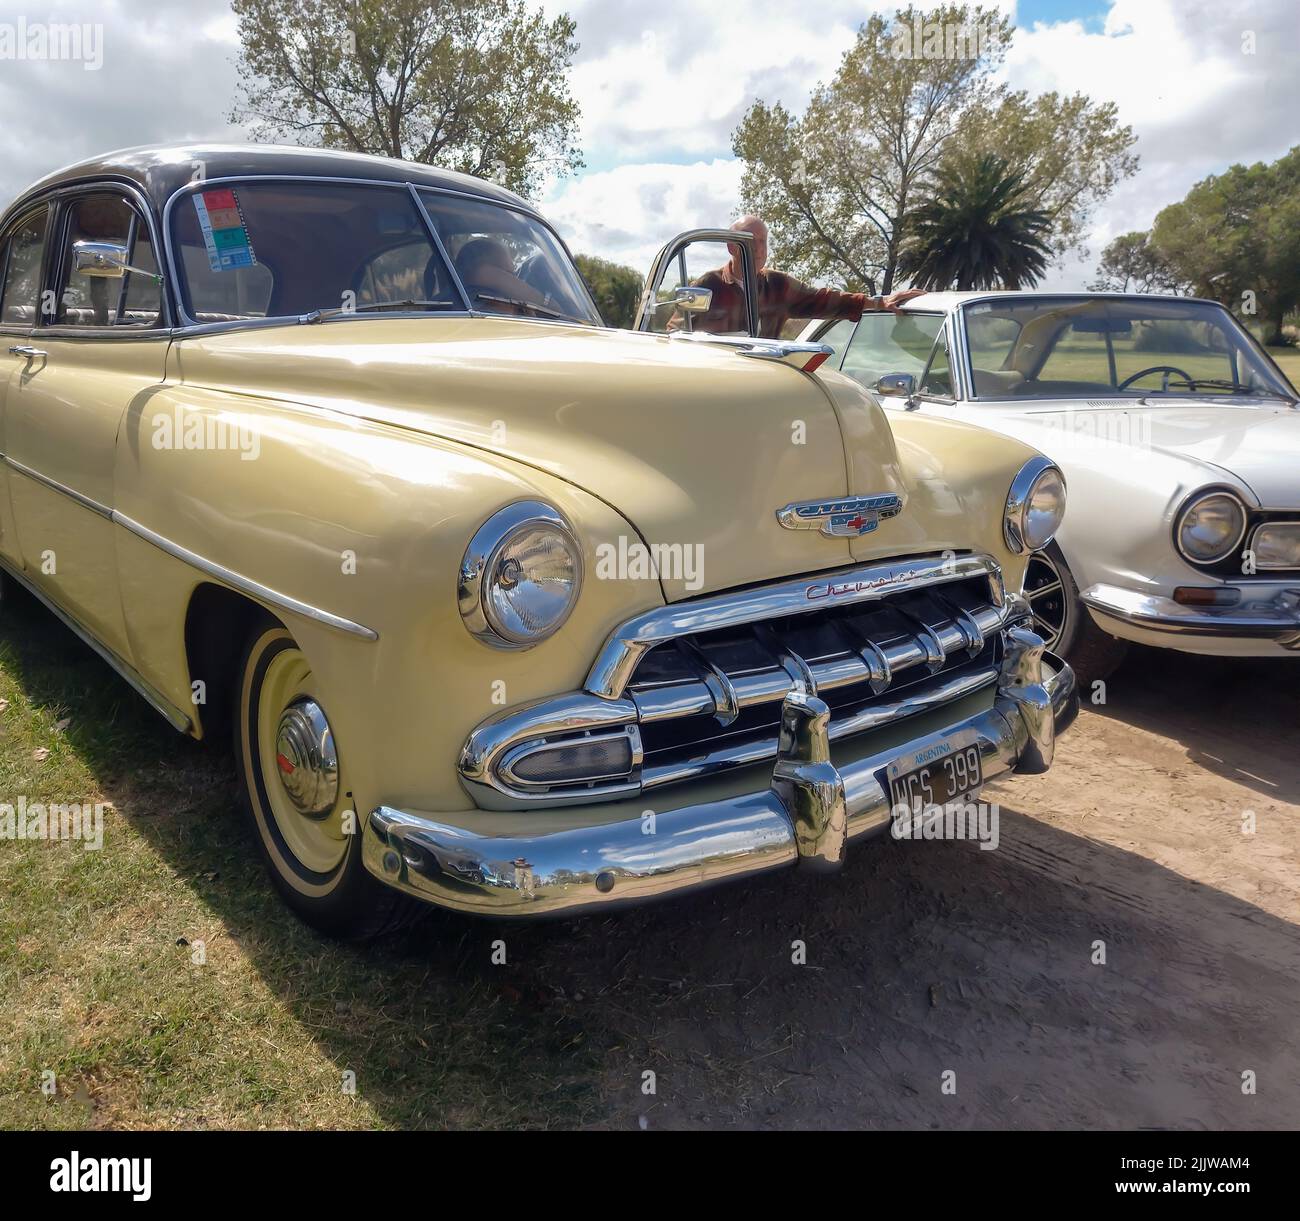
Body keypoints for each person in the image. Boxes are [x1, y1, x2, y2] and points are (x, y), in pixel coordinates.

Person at [678, 216, 924, 339]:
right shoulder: (707, 286)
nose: (760, 250)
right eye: (750, 243)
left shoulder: (777, 285)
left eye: (763, 242)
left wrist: (880, 302)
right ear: (731, 247)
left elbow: (827, 300)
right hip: (716, 386)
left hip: (761, 387)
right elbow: (676, 334)